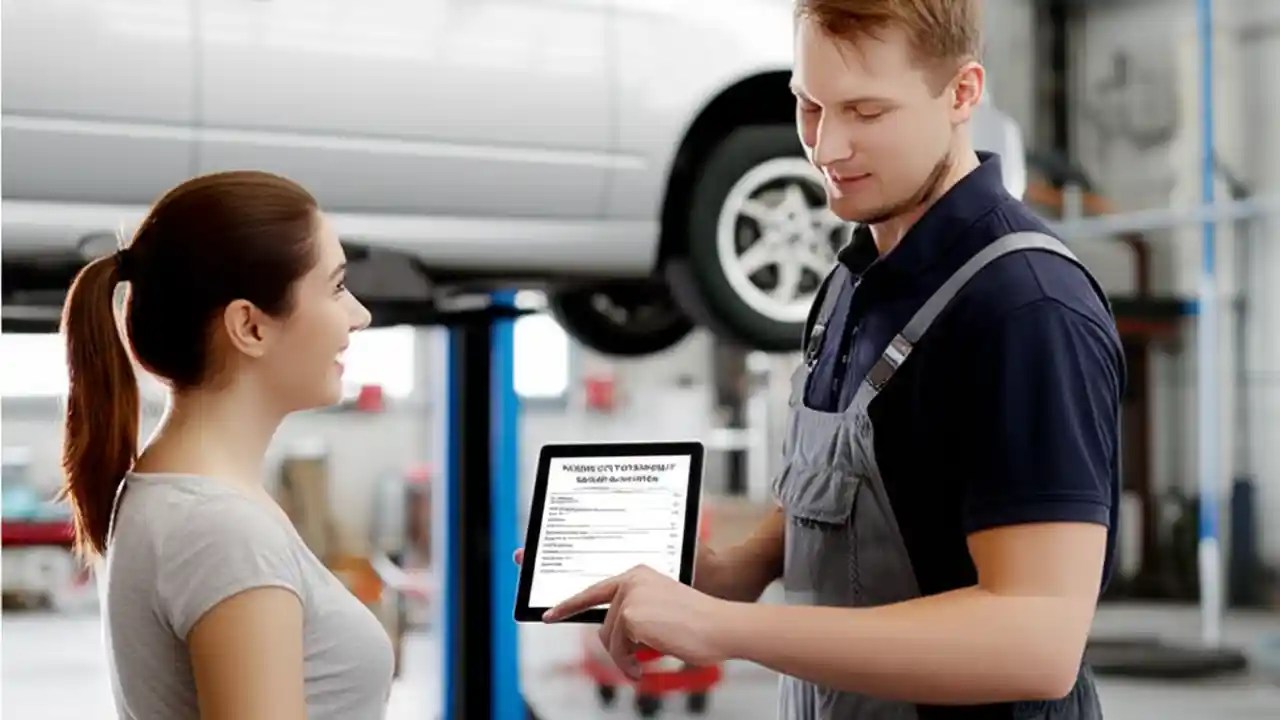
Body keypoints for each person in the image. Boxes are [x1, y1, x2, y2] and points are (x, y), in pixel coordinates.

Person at [529, 1, 1124, 718]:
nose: (826, 147)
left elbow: (1036, 643)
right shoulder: (852, 278)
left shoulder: (1026, 309)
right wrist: (731, 572)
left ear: (962, 93)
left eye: (866, 112)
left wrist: (726, 629)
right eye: (808, 106)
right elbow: (845, 484)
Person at [58, 170, 393, 719]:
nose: (360, 315)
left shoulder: (188, 500)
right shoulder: (221, 530)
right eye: (336, 287)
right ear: (250, 327)